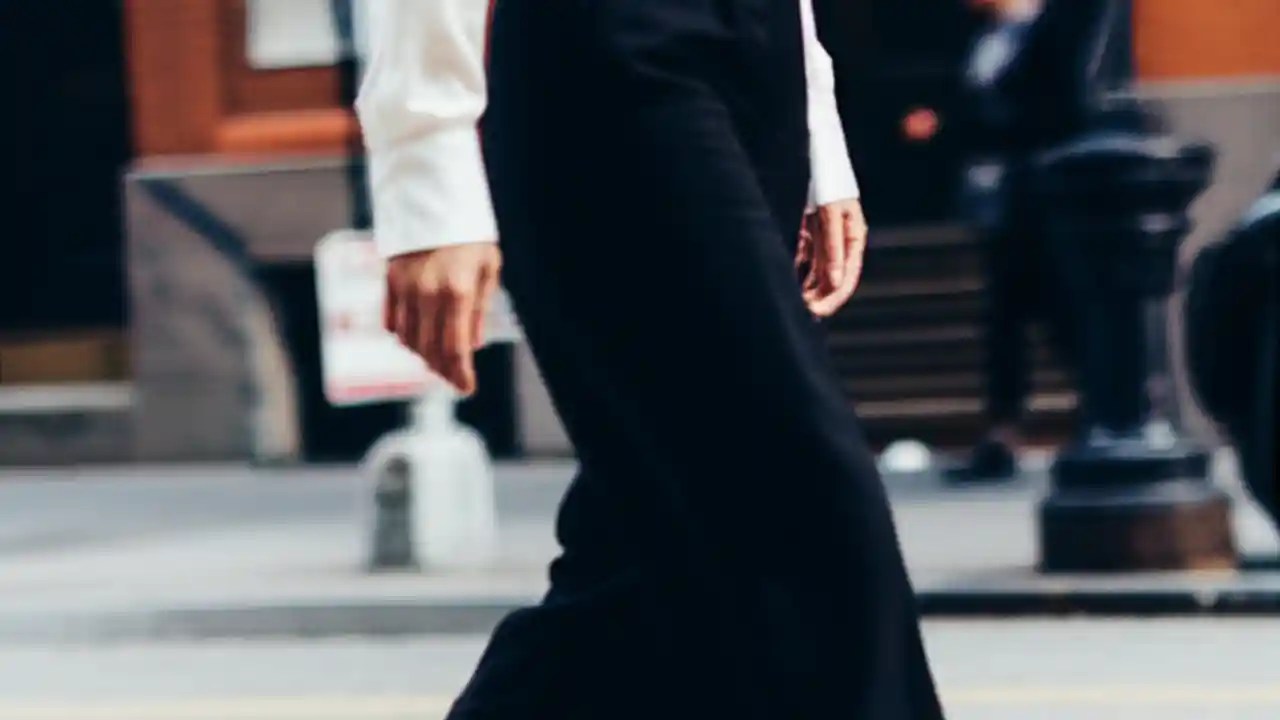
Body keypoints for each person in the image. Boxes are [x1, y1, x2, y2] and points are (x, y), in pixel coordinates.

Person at [357, 1, 944, 718]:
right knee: (804, 506)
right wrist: (428, 153)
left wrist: (818, 127)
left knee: (638, 562)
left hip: (761, 57)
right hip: (613, 51)